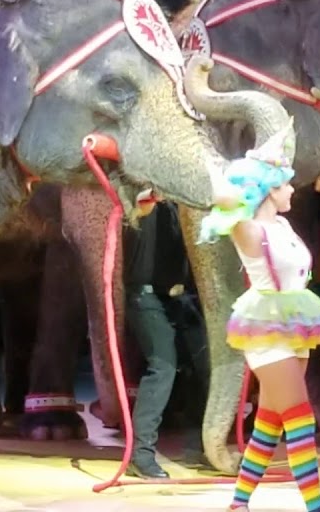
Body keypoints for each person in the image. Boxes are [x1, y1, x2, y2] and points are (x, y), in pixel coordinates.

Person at [198, 121, 320, 512]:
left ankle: (239, 504)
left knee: (270, 423)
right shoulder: (250, 231)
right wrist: (214, 170)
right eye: (286, 183)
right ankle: (316, 506)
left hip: (297, 324)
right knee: (299, 416)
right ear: (270, 188)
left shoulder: (285, 225)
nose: (292, 189)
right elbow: (227, 204)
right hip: (266, 329)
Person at [125, 201, 211, 479]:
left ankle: (201, 446)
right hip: (146, 296)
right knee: (162, 366)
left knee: (208, 365)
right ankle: (140, 454)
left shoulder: (184, 203)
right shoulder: (143, 198)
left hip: (180, 295)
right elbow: (139, 209)